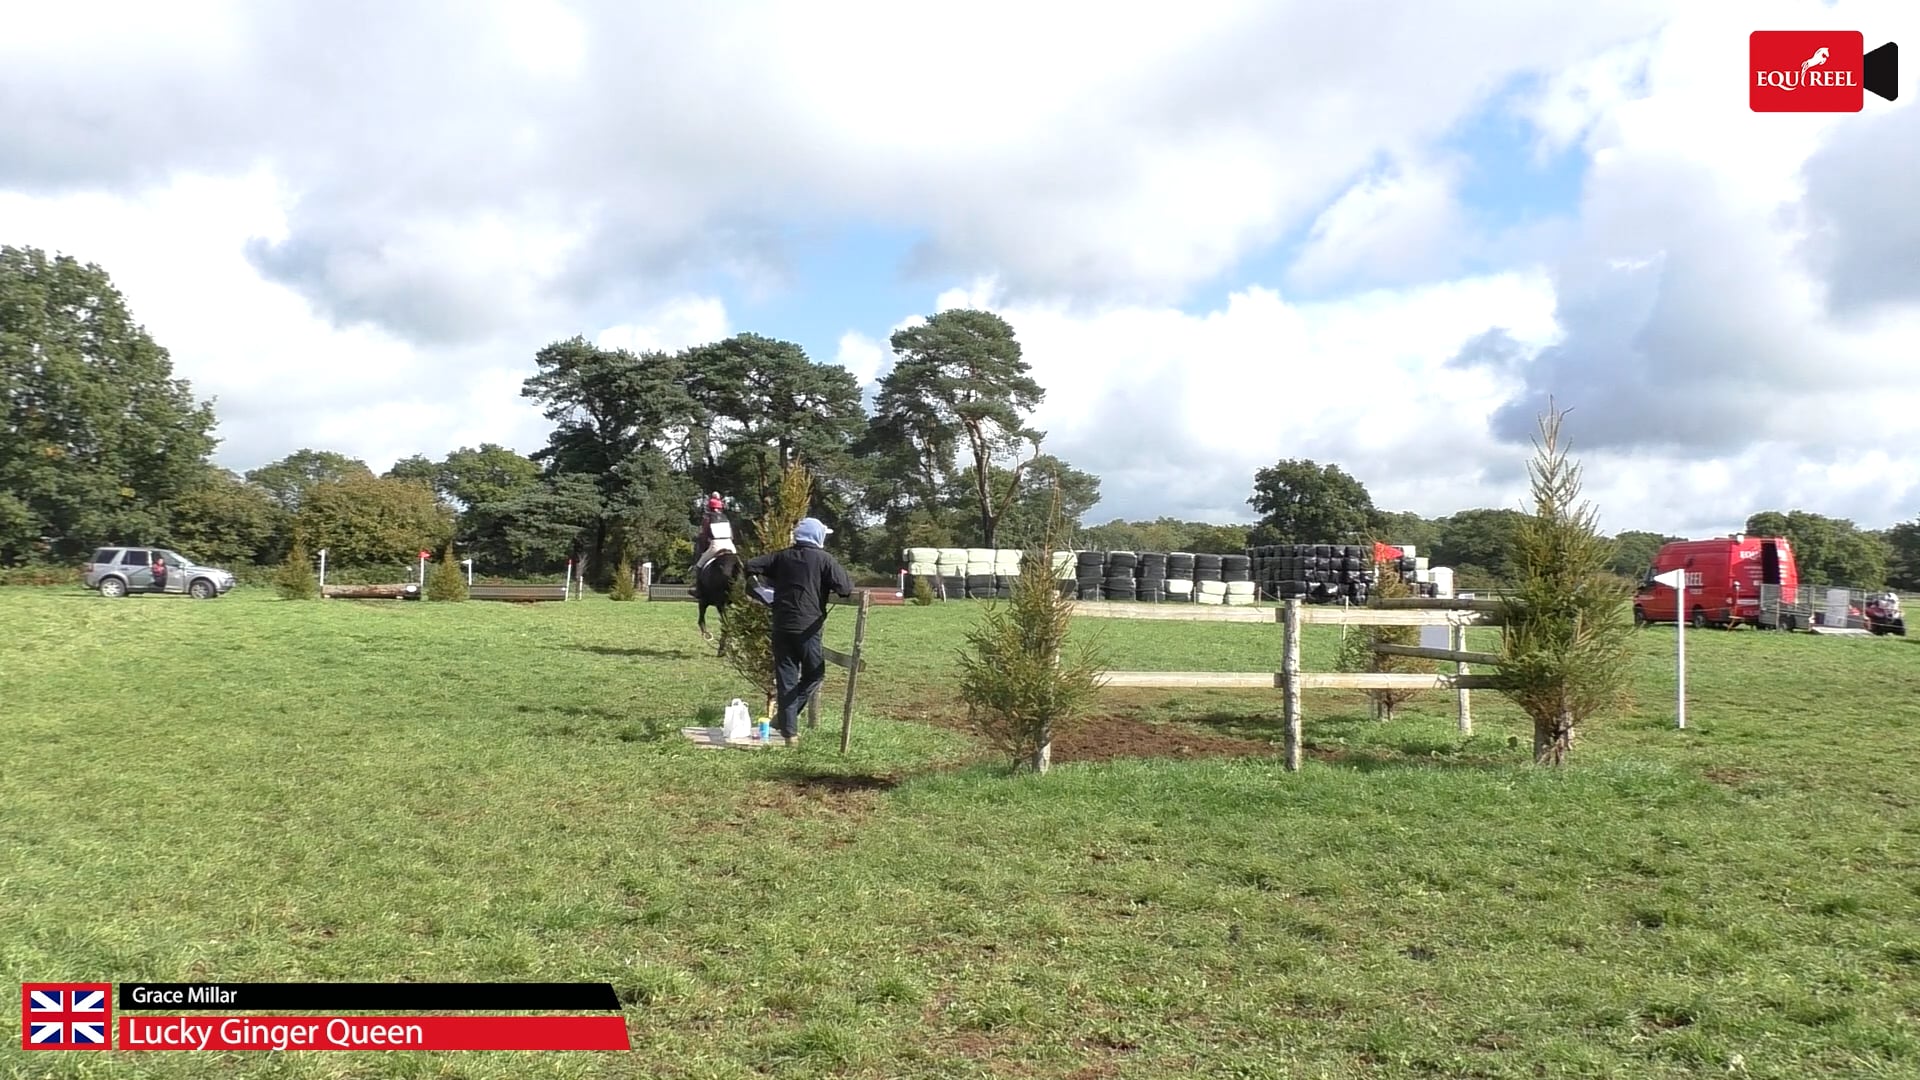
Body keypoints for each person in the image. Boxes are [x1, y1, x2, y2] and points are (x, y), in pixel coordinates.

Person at [745, 517, 854, 747]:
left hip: (781, 625)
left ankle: (789, 734)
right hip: (807, 628)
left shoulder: (781, 557)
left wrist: (767, 589)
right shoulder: (824, 559)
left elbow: (750, 565)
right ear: (818, 536)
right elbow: (845, 588)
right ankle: (787, 720)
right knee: (815, 674)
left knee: (787, 679)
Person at [692, 493, 735, 574]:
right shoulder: (726, 518)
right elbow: (732, 536)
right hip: (730, 545)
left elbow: (704, 536)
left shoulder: (707, 518)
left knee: (699, 565)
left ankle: (696, 578)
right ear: (720, 508)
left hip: (716, 545)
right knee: (739, 563)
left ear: (710, 507)